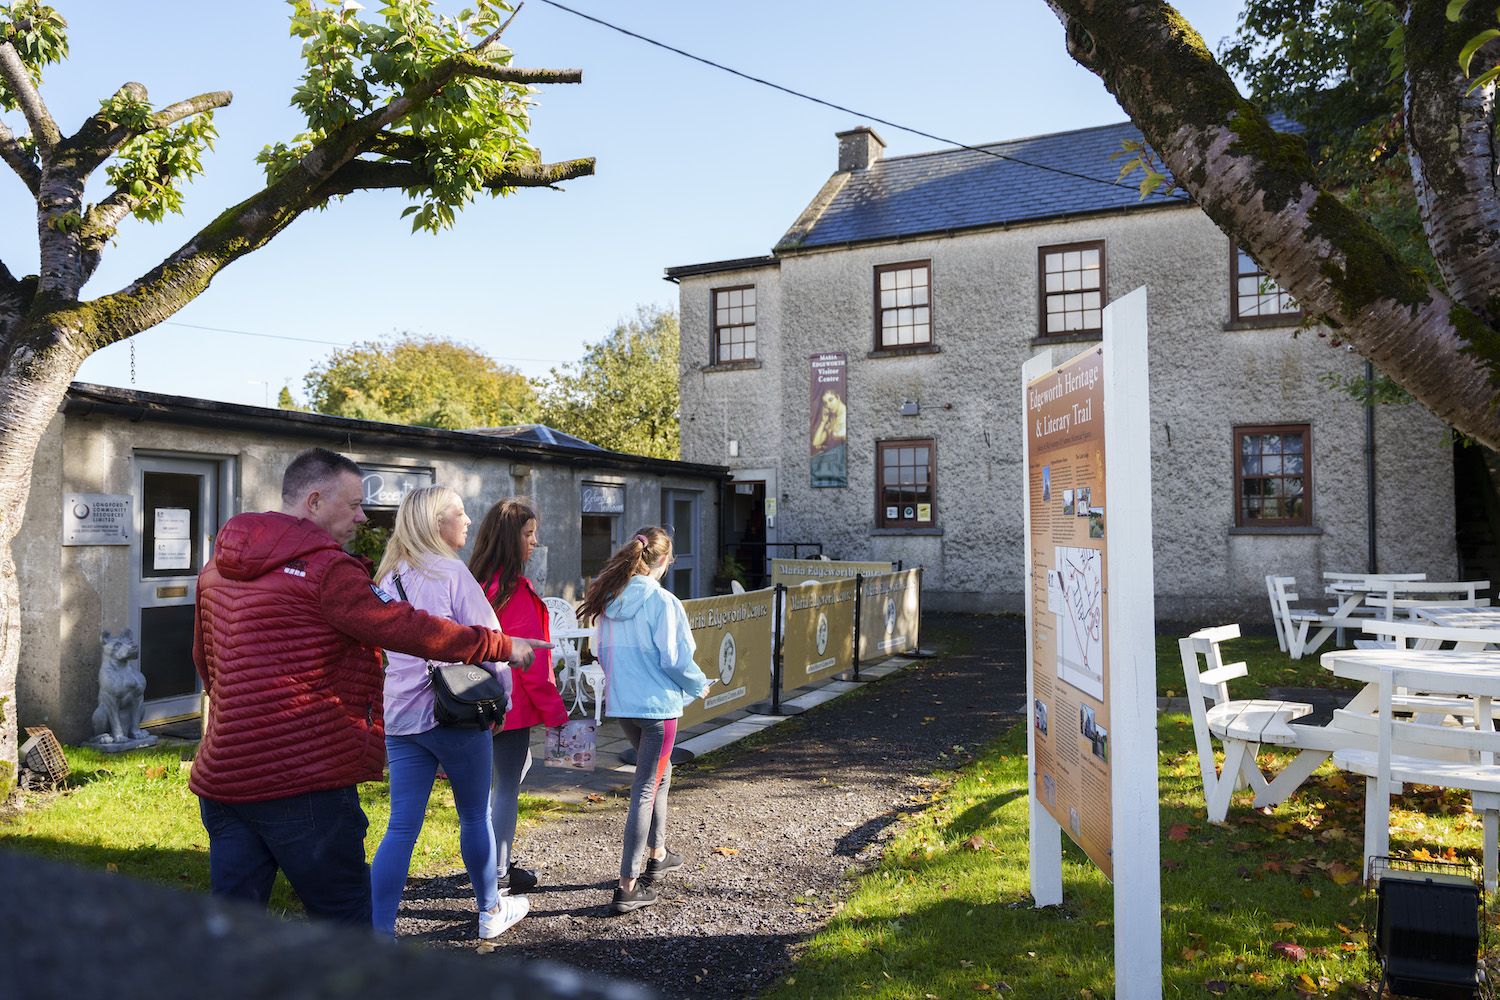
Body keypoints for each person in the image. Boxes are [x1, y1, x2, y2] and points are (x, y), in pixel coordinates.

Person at [191, 448, 544, 928]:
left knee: (231, 927)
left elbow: (206, 663)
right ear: (314, 501)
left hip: (225, 777)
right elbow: (406, 628)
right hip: (303, 779)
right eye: (355, 504)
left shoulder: (215, 569)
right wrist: (498, 645)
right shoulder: (327, 571)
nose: (364, 516)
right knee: (345, 927)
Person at [369, 486, 532, 940]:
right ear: (434, 523)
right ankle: (488, 911)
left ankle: (379, 930)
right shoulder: (451, 573)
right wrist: (503, 699)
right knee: (474, 815)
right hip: (455, 712)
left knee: (400, 826)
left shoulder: (387, 577)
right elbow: (491, 641)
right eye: (458, 514)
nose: (467, 520)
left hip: (401, 715)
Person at [578, 526, 711, 914]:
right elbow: (674, 659)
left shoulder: (608, 599)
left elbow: (598, 651)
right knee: (646, 787)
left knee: (659, 774)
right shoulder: (664, 602)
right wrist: (698, 684)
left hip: (623, 706)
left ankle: (659, 852)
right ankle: (627, 885)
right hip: (657, 708)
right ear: (666, 562)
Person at [468, 497, 570, 896]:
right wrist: (556, 713)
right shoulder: (515, 592)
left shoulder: (475, 584)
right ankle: (496, 872)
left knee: (492, 784)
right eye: (528, 534)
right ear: (510, 539)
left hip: (474, 700)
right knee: (507, 785)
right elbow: (532, 663)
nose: (535, 542)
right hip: (509, 707)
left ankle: (488, 860)